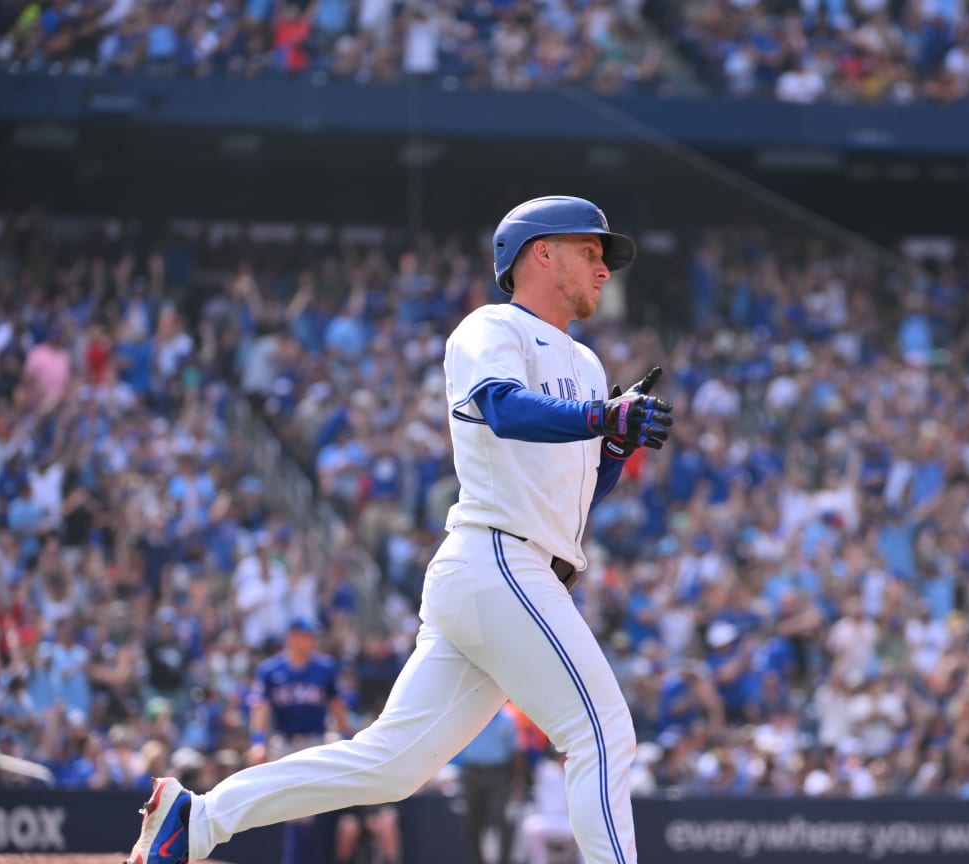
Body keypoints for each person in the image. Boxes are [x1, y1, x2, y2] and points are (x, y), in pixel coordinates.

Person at [128, 195, 673, 864]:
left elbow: (581, 491)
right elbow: (501, 408)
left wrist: (614, 447)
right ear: (542, 252)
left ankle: (200, 818)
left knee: (390, 766)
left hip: (515, 575)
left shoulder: (586, 367)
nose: (603, 269)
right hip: (498, 560)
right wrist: (599, 418)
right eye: (591, 251)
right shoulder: (490, 327)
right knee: (603, 731)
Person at [246, 616, 351, 864]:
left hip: (315, 742)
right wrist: (258, 741)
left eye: (313, 635)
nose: (311, 640)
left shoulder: (325, 667)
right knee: (292, 809)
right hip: (284, 742)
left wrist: (347, 735)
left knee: (307, 810)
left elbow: (337, 704)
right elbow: (260, 708)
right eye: (306, 635)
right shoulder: (271, 669)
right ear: (292, 636)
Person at [455, 704, 522, 864]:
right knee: (472, 822)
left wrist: (518, 782)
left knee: (501, 819)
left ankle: (504, 861)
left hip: (498, 774)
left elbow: (516, 752)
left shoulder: (507, 718)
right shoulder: (469, 715)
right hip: (472, 773)